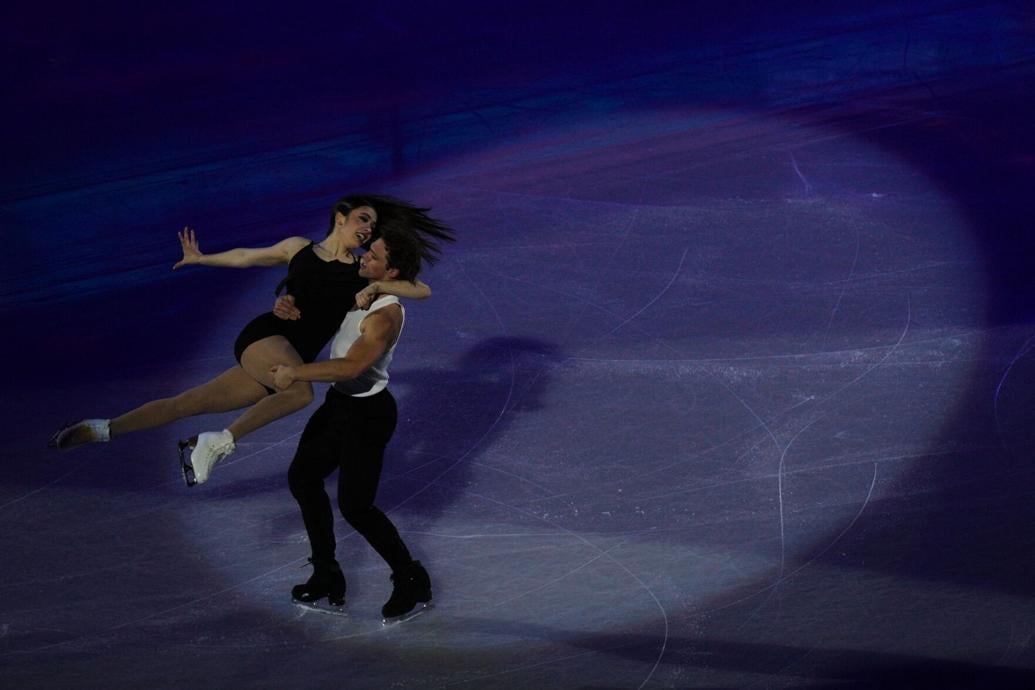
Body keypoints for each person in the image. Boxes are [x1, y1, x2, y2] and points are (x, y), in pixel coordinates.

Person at [49, 195, 453, 488]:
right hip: (266, 338)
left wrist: (379, 282)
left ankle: (101, 428)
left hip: (288, 355)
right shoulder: (300, 249)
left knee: (187, 403)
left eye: (372, 225)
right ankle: (218, 442)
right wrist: (202, 258)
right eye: (362, 219)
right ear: (340, 217)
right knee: (300, 394)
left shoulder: (360, 274)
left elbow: (423, 290)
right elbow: (247, 256)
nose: (367, 229)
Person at [265, 226, 439, 623]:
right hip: (338, 406)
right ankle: (326, 574)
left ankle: (411, 578)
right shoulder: (362, 287)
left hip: (368, 415)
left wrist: (296, 373)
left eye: (373, 256)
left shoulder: (386, 315)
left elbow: (352, 366)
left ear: (390, 273)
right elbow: (316, 304)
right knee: (304, 478)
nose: (364, 256)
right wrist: (288, 304)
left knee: (356, 507)